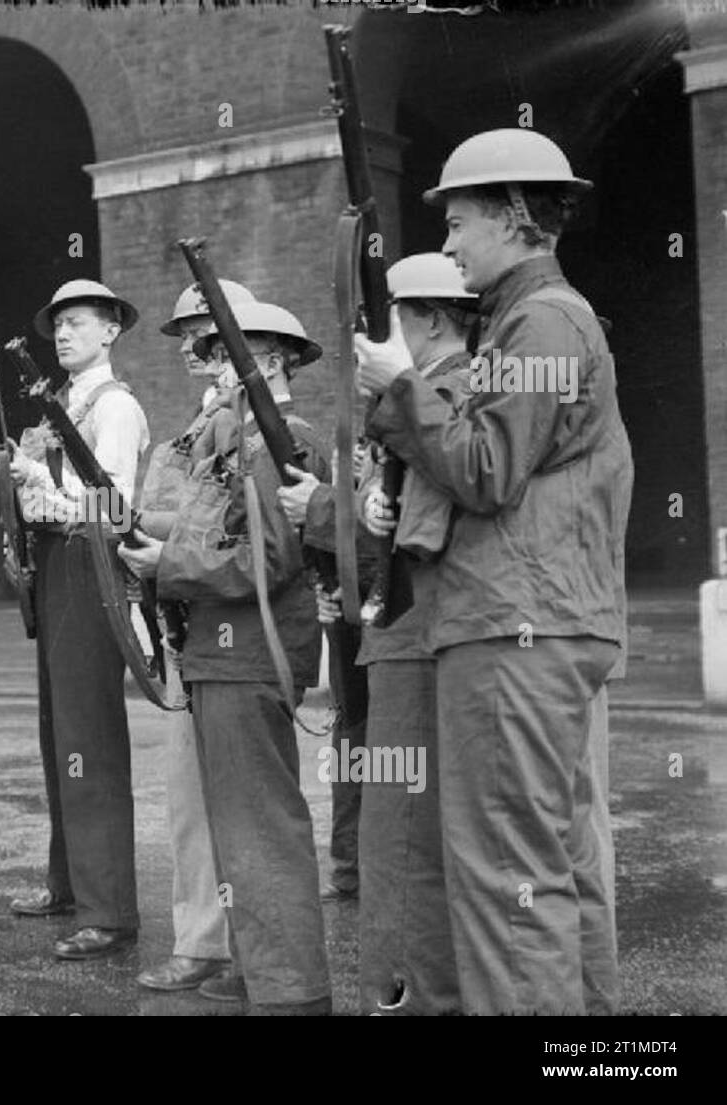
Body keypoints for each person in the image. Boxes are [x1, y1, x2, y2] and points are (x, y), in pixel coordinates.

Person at [354, 129, 632, 1015]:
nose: (448, 245)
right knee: (553, 863)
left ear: (516, 218)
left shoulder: (539, 318)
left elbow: (485, 468)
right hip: (545, 617)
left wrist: (403, 386)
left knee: (506, 877)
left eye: (460, 222)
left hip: (514, 622)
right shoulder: (545, 317)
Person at [120, 301, 331, 1014]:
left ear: (266, 360)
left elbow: (266, 559)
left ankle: (289, 988)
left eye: (218, 351)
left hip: (249, 655)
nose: (205, 365)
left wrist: (166, 564)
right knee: (240, 828)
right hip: (220, 653)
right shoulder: (233, 439)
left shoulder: (279, 439)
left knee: (260, 825)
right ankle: (259, 967)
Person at [281, 252, 477, 1014]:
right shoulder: (432, 396)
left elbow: (402, 532)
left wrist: (324, 511)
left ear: (426, 319)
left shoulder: (438, 395)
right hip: (400, 638)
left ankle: (406, 997)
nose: (368, 343)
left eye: (385, 321)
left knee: (400, 835)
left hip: (414, 642)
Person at [7, 279, 149, 961]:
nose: (63, 334)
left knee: (88, 732)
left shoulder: (114, 407)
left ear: (111, 330)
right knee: (56, 729)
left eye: (79, 323)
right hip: (55, 569)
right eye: (58, 323)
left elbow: (112, 506)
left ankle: (109, 907)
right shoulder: (58, 403)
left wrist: (43, 487)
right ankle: (68, 880)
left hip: (91, 565)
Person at [133, 279, 254, 993]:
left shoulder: (247, 422)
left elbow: (223, 525)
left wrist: (164, 530)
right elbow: (157, 511)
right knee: (188, 794)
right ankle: (203, 939)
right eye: (184, 334)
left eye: (205, 331)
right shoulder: (197, 421)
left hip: (233, 627)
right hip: (189, 623)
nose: (191, 346)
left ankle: (246, 946)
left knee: (238, 799)